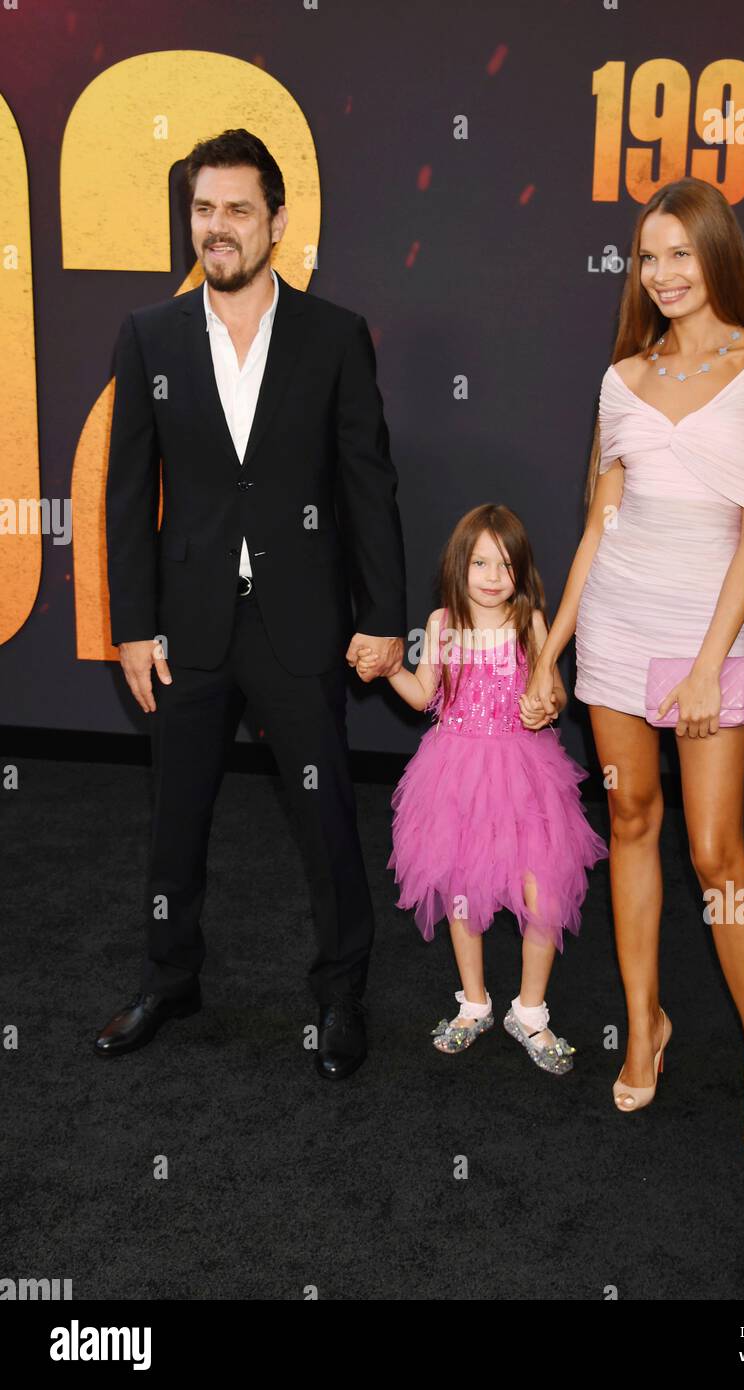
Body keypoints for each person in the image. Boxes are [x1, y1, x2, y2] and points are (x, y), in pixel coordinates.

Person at [95, 128, 406, 1080]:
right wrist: (133, 627)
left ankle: (341, 992)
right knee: (174, 816)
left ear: (278, 220)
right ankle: (169, 974)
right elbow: (125, 492)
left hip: (299, 622)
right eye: (201, 208)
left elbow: (366, 486)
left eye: (236, 209)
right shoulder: (148, 334)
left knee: (325, 823)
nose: (216, 228)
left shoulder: (333, 335)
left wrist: (385, 615)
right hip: (186, 627)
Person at [522, 178, 744, 1160]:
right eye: (649, 256)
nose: (665, 273)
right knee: (631, 819)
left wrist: (706, 669)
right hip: (616, 629)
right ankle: (645, 1024)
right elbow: (598, 526)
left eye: (682, 252)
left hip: (706, 638)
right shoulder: (620, 377)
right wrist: (549, 657)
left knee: (717, 852)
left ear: (718, 256)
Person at [356, 505, 608, 1075]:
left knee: (543, 892)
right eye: (480, 562)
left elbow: (557, 696)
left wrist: (544, 706)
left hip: (524, 778)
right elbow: (424, 696)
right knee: (461, 891)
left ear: (522, 570)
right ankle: (474, 1003)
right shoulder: (442, 624)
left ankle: (531, 1010)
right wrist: (387, 668)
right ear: (459, 565)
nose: (493, 576)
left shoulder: (532, 623)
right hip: (454, 777)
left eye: (506, 564)